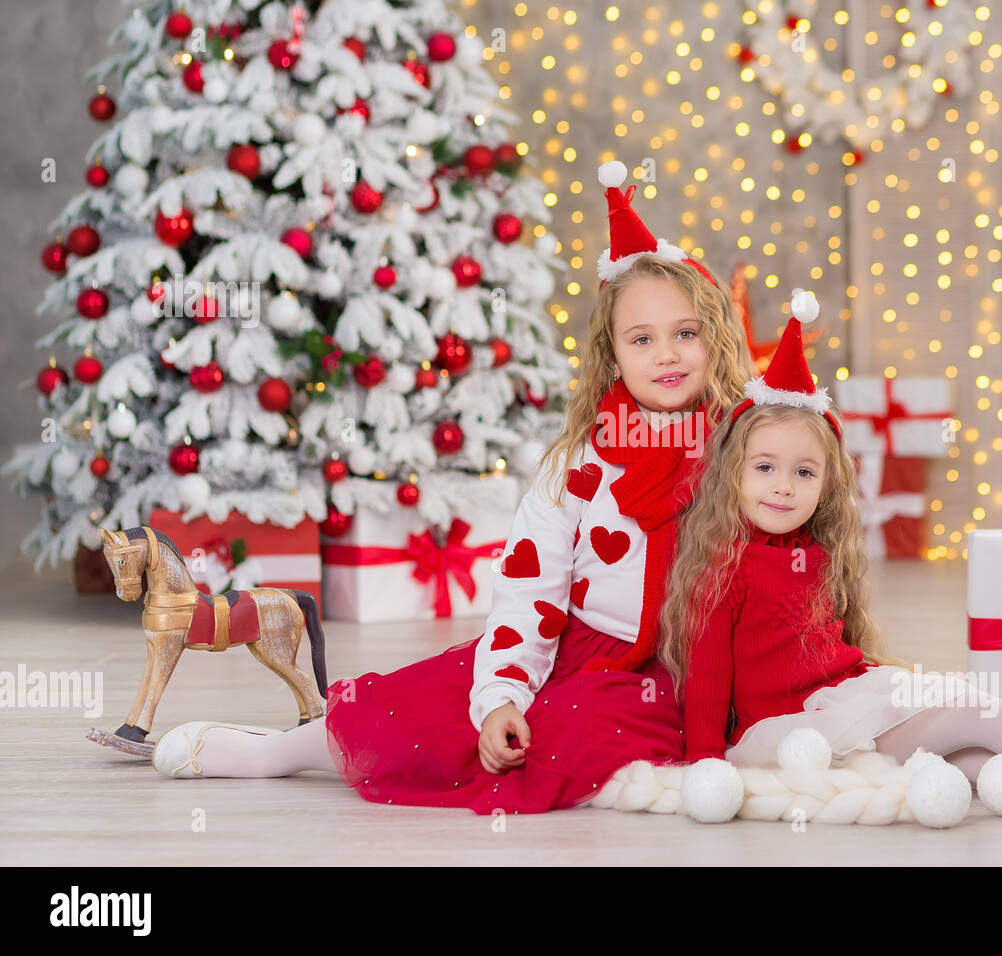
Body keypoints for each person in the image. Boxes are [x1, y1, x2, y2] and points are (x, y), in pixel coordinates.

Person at [150, 161, 753, 814]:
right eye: (643, 339)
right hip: (587, 650)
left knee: (586, 736)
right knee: (442, 703)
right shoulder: (581, 466)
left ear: (715, 338)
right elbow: (530, 590)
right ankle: (285, 751)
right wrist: (504, 695)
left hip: (693, 665)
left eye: (685, 334)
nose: (667, 354)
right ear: (612, 356)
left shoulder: (745, 448)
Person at [656, 289, 1002, 804]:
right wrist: (706, 762)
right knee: (967, 708)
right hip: (794, 733)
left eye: (804, 473)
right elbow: (707, 672)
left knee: (969, 765)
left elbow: (831, 650)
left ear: (826, 486)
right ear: (733, 472)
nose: (783, 485)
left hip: (846, 703)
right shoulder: (724, 565)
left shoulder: (820, 554)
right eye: (765, 467)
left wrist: (878, 681)